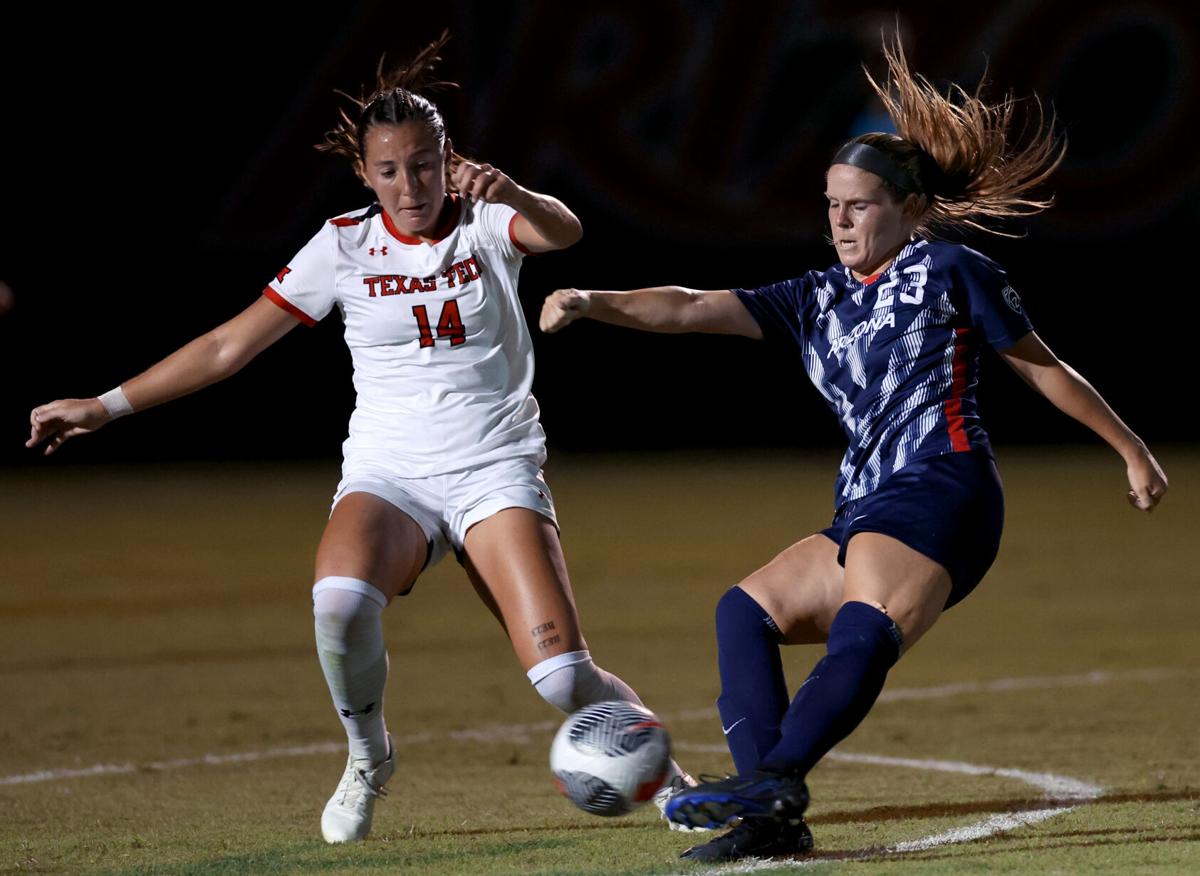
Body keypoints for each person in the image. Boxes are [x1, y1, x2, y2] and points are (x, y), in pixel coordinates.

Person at [26, 36, 695, 844]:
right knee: (338, 605)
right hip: (391, 475)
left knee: (560, 674)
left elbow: (565, 233)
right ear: (364, 175)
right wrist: (105, 405)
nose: (410, 186)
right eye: (390, 171)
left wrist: (514, 187)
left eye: (424, 164)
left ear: (450, 158)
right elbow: (228, 348)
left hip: (494, 470)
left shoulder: (487, 218)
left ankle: (675, 784)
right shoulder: (342, 244)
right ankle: (368, 755)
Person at [539, 38, 1168, 862]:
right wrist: (594, 300)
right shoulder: (815, 296)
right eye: (831, 202)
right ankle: (771, 814)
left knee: (863, 624)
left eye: (860, 204)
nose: (839, 219)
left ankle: (775, 781)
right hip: (869, 501)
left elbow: (1042, 368)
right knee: (744, 612)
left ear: (908, 210)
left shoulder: (950, 268)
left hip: (945, 485)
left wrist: (1130, 450)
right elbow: (691, 306)